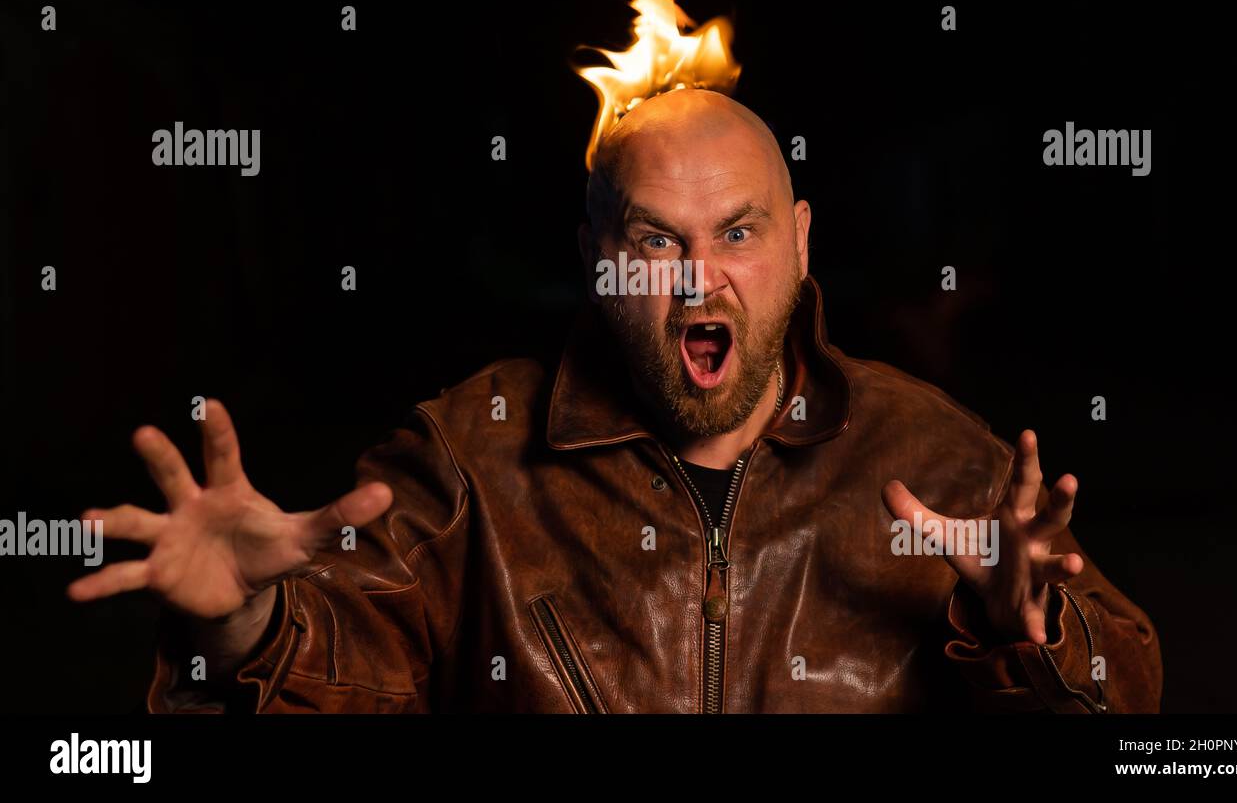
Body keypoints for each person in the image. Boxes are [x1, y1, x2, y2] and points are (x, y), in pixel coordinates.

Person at [69, 88, 1161, 713]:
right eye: (655, 241)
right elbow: (344, 683)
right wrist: (245, 626)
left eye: (737, 232)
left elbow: (1135, 712)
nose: (697, 280)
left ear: (801, 241)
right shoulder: (468, 463)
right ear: (598, 259)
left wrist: (1037, 633)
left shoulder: (935, 453)